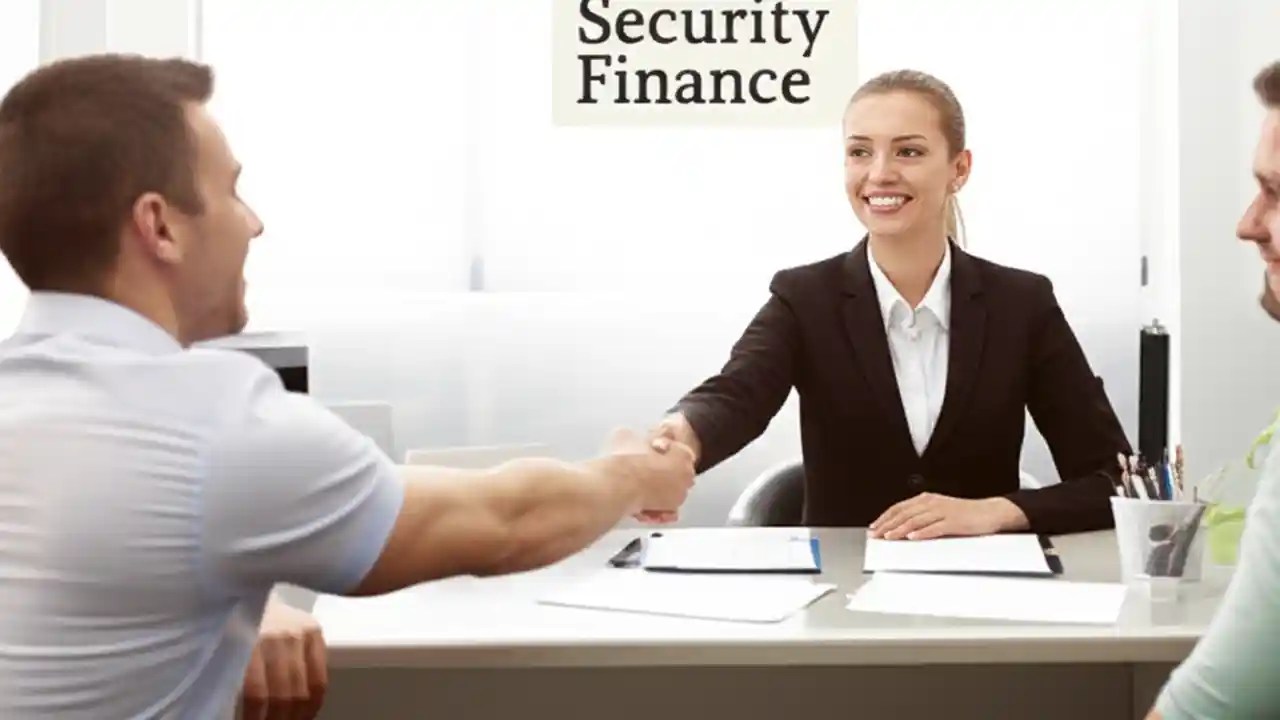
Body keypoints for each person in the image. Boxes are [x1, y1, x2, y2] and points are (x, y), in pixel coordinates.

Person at [0, 54, 695, 720]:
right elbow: (507, 523)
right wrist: (635, 476)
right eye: (232, 190)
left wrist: (233, 601)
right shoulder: (210, 423)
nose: (254, 222)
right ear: (160, 227)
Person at [649, 69, 1130, 538]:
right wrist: (679, 438)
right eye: (860, 152)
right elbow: (736, 396)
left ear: (958, 169)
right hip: (840, 597)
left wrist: (997, 512)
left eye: (909, 151)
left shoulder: (1022, 305)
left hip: (984, 594)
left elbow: (1114, 479)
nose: (879, 174)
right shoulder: (804, 298)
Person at [1146, 60, 1280, 720]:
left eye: (1277, 194)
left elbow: (1210, 711)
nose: (1249, 224)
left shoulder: (1020, 301)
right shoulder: (799, 299)